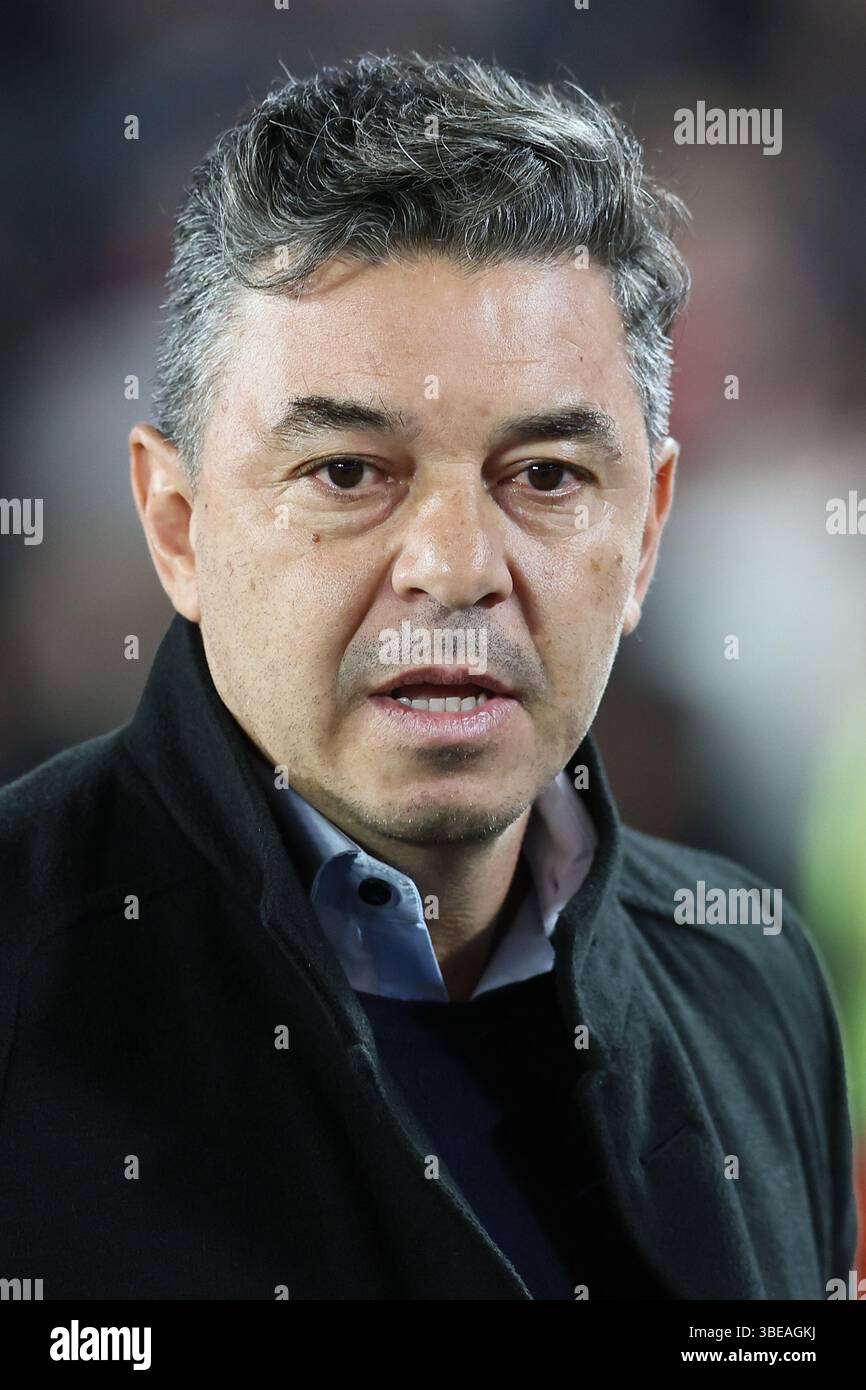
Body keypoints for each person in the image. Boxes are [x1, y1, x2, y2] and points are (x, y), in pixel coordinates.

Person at [0, 52, 857, 1300]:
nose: (455, 566)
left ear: (646, 534)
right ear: (178, 527)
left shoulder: (753, 977)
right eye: (349, 471)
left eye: (547, 476)